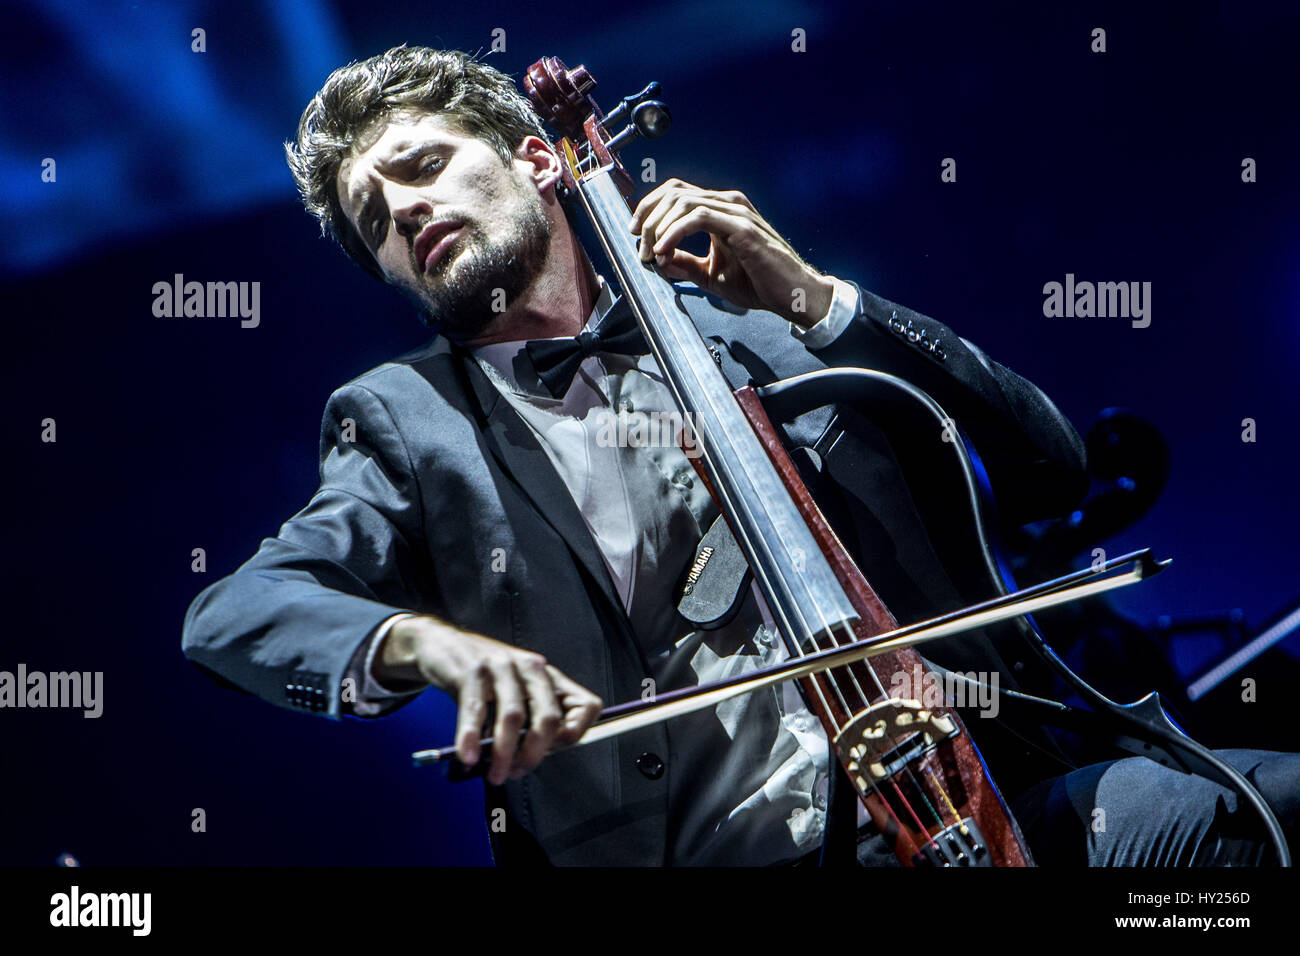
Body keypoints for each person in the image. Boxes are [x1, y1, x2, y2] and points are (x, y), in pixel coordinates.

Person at [181, 45, 1297, 866]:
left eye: (424, 165)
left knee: (1236, 819)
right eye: (376, 217)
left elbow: (1046, 464)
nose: (407, 210)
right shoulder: (403, 418)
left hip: (998, 797)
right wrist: (425, 643)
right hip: (738, 856)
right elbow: (238, 611)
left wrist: (819, 300)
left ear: (538, 157)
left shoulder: (748, 323)